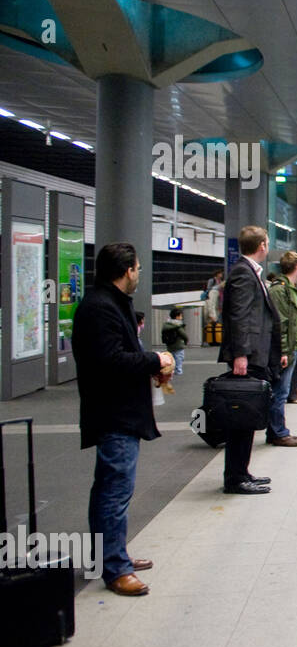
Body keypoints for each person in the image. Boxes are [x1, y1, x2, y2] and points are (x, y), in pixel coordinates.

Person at [72, 242, 174, 596]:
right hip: (113, 413)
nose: (139, 275)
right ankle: (115, 568)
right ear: (128, 270)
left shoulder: (108, 304)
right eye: (138, 269)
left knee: (111, 489)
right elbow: (110, 361)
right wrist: (154, 360)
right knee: (114, 491)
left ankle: (114, 555)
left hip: (119, 410)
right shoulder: (100, 309)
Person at [219, 225, 284, 494]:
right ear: (261, 246)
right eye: (267, 243)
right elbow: (239, 317)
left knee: (247, 416)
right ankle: (235, 478)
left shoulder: (249, 272)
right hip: (249, 357)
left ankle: (242, 471)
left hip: (257, 354)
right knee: (242, 418)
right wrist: (241, 355)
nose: (267, 247)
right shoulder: (244, 274)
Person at [266, 250, 297, 447]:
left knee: (281, 392)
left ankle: (277, 430)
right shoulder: (280, 290)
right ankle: (278, 433)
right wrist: (283, 351)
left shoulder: (289, 288)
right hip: (285, 351)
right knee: (279, 393)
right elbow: (279, 323)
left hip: (291, 348)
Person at [162, 307, 188, 374]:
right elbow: (184, 335)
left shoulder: (166, 325)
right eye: (181, 315)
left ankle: (171, 371)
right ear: (177, 316)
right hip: (178, 345)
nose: (181, 317)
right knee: (179, 359)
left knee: (172, 359)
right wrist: (186, 341)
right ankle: (178, 371)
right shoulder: (177, 325)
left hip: (169, 345)